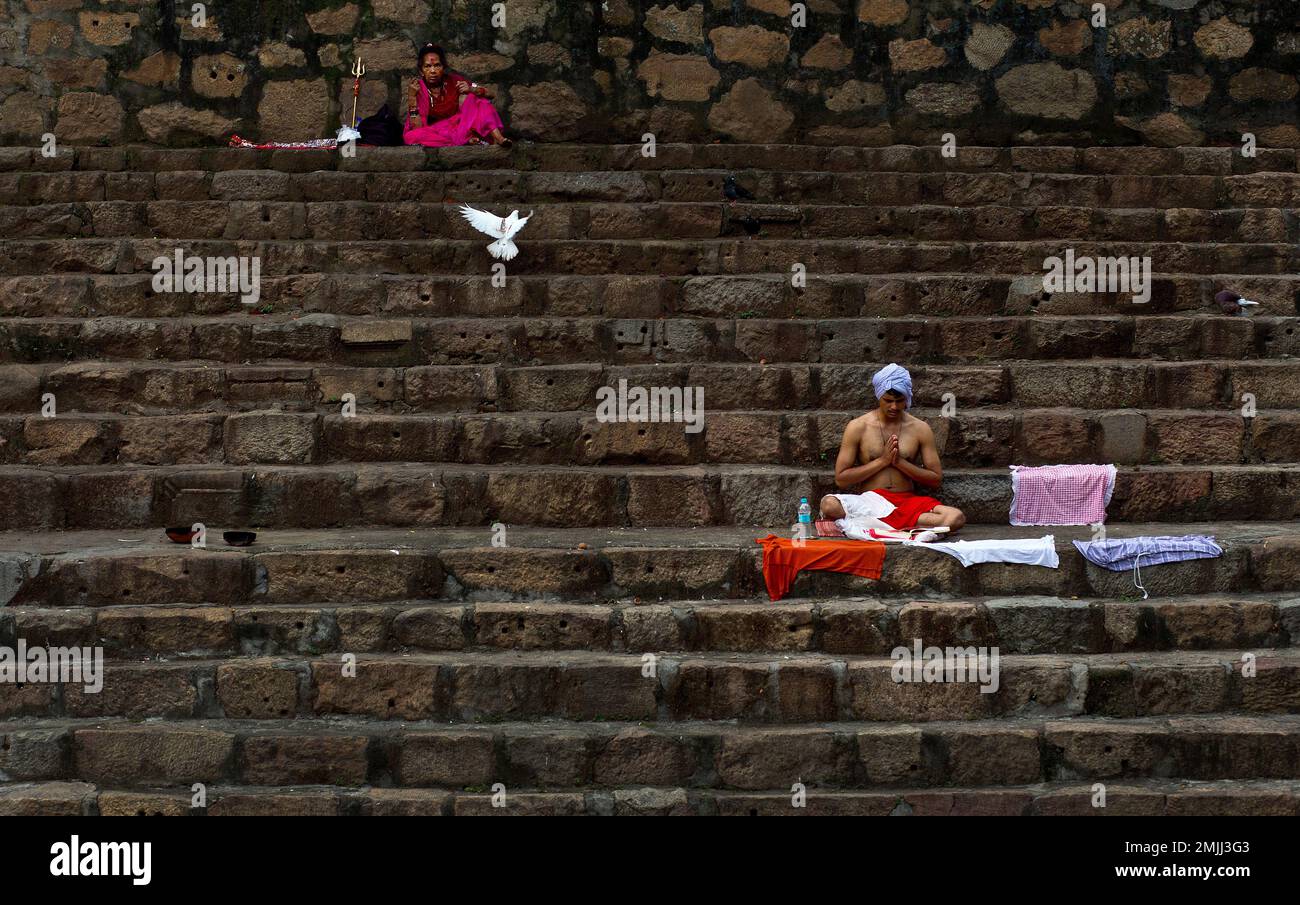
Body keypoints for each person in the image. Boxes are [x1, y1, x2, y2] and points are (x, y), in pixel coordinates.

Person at [819, 363, 966, 533]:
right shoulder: (858, 426)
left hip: (907, 503)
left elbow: (935, 479)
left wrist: (899, 463)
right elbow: (841, 479)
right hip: (870, 503)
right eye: (888, 401)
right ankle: (899, 526)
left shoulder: (920, 428)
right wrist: (882, 461)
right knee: (829, 505)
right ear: (878, 396)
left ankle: (873, 526)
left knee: (955, 517)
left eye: (899, 401)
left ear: (907, 398)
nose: (894, 407)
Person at [404, 43, 513, 148]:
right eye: (427, 66)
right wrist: (412, 98)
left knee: (477, 100)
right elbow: (417, 128)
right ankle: (463, 140)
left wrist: (471, 89)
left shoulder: (455, 81)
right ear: (421, 71)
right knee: (411, 136)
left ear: (443, 67)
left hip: (461, 126)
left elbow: (491, 94)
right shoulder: (418, 89)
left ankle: (499, 138)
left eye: (437, 65)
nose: (433, 71)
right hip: (439, 131)